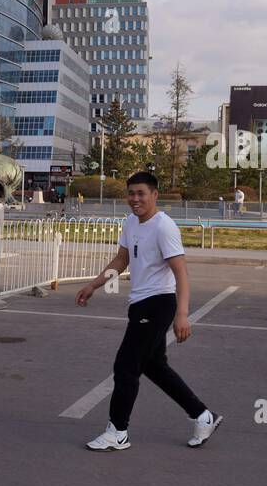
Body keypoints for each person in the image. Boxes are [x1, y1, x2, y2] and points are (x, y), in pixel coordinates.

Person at [76, 170, 223, 451]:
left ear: (155, 195)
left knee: (126, 366)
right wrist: (94, 284)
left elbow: (181, 273)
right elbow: (121, 260)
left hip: (159, 303)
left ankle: (117, 431)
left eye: (141, 193)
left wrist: (182, 314)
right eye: (131, 193)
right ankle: (203, 415)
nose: (135, 199)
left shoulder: (163, 227)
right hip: (139, 303)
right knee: (154, 367)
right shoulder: (131, 222)